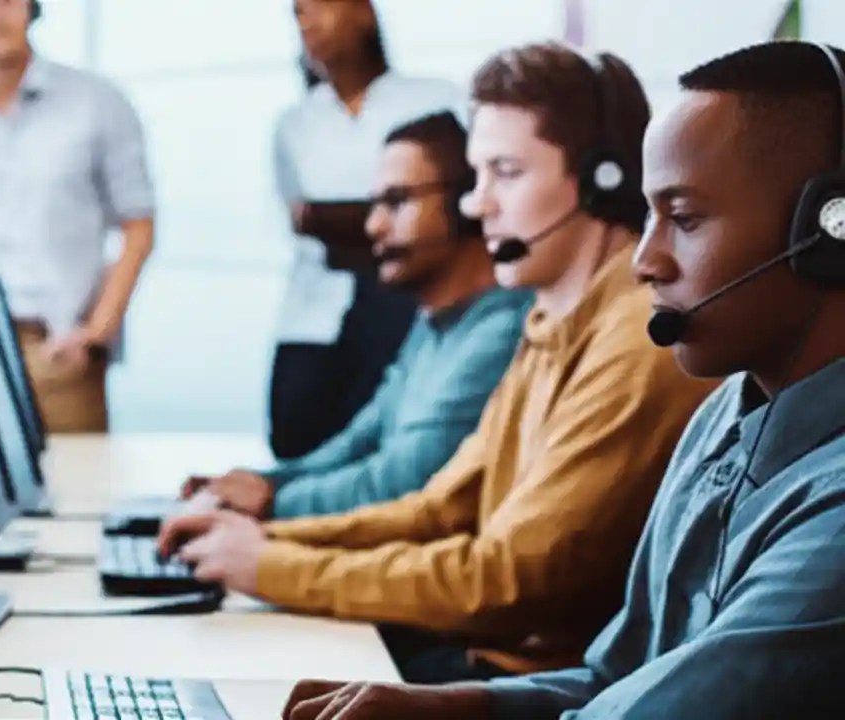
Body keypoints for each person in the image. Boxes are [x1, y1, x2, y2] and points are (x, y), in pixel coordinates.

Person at [278, 40, 845, 720]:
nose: (646, 259)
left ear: (830, 231)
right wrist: (451, 707)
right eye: (651, 214)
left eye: (685, 219)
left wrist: (270, 562)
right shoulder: (724, 418)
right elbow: (620, 675)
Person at [160, 42, 718, 683]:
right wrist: (268, 545)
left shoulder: (633, 343)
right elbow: (439, 508)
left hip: (526, 682)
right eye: (477, 176)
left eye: (505, 173)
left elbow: (509, 578)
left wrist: (273, 568)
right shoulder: (553, 321)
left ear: (601, 181)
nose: (477, 204)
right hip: (488, 658)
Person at [182, 112, 532, 520]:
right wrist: (267, 482)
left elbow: (405, 483)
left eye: (397, 202)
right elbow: (361, 441)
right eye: (374, 205)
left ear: (466, 202)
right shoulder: (434, 322)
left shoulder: (501, 331)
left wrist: (274, 502)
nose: (374, 226)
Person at [0, 0, 154, 433]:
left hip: (59, 348)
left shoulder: (96, 103)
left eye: (8, 0)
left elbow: (138, 225)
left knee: (77, 491)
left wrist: (97, 331)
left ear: (31, 8)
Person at [268, 0, 462, 459]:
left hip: (404, 306)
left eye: (317, 7)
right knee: (294, 436)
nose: (306, 21)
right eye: (296, 13)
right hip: (315, 307)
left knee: (388, 443)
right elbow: (296, 222)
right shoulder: (295, 123)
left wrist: (331, 222)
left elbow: (455, 213)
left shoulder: (435, 99)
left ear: (363, 12)